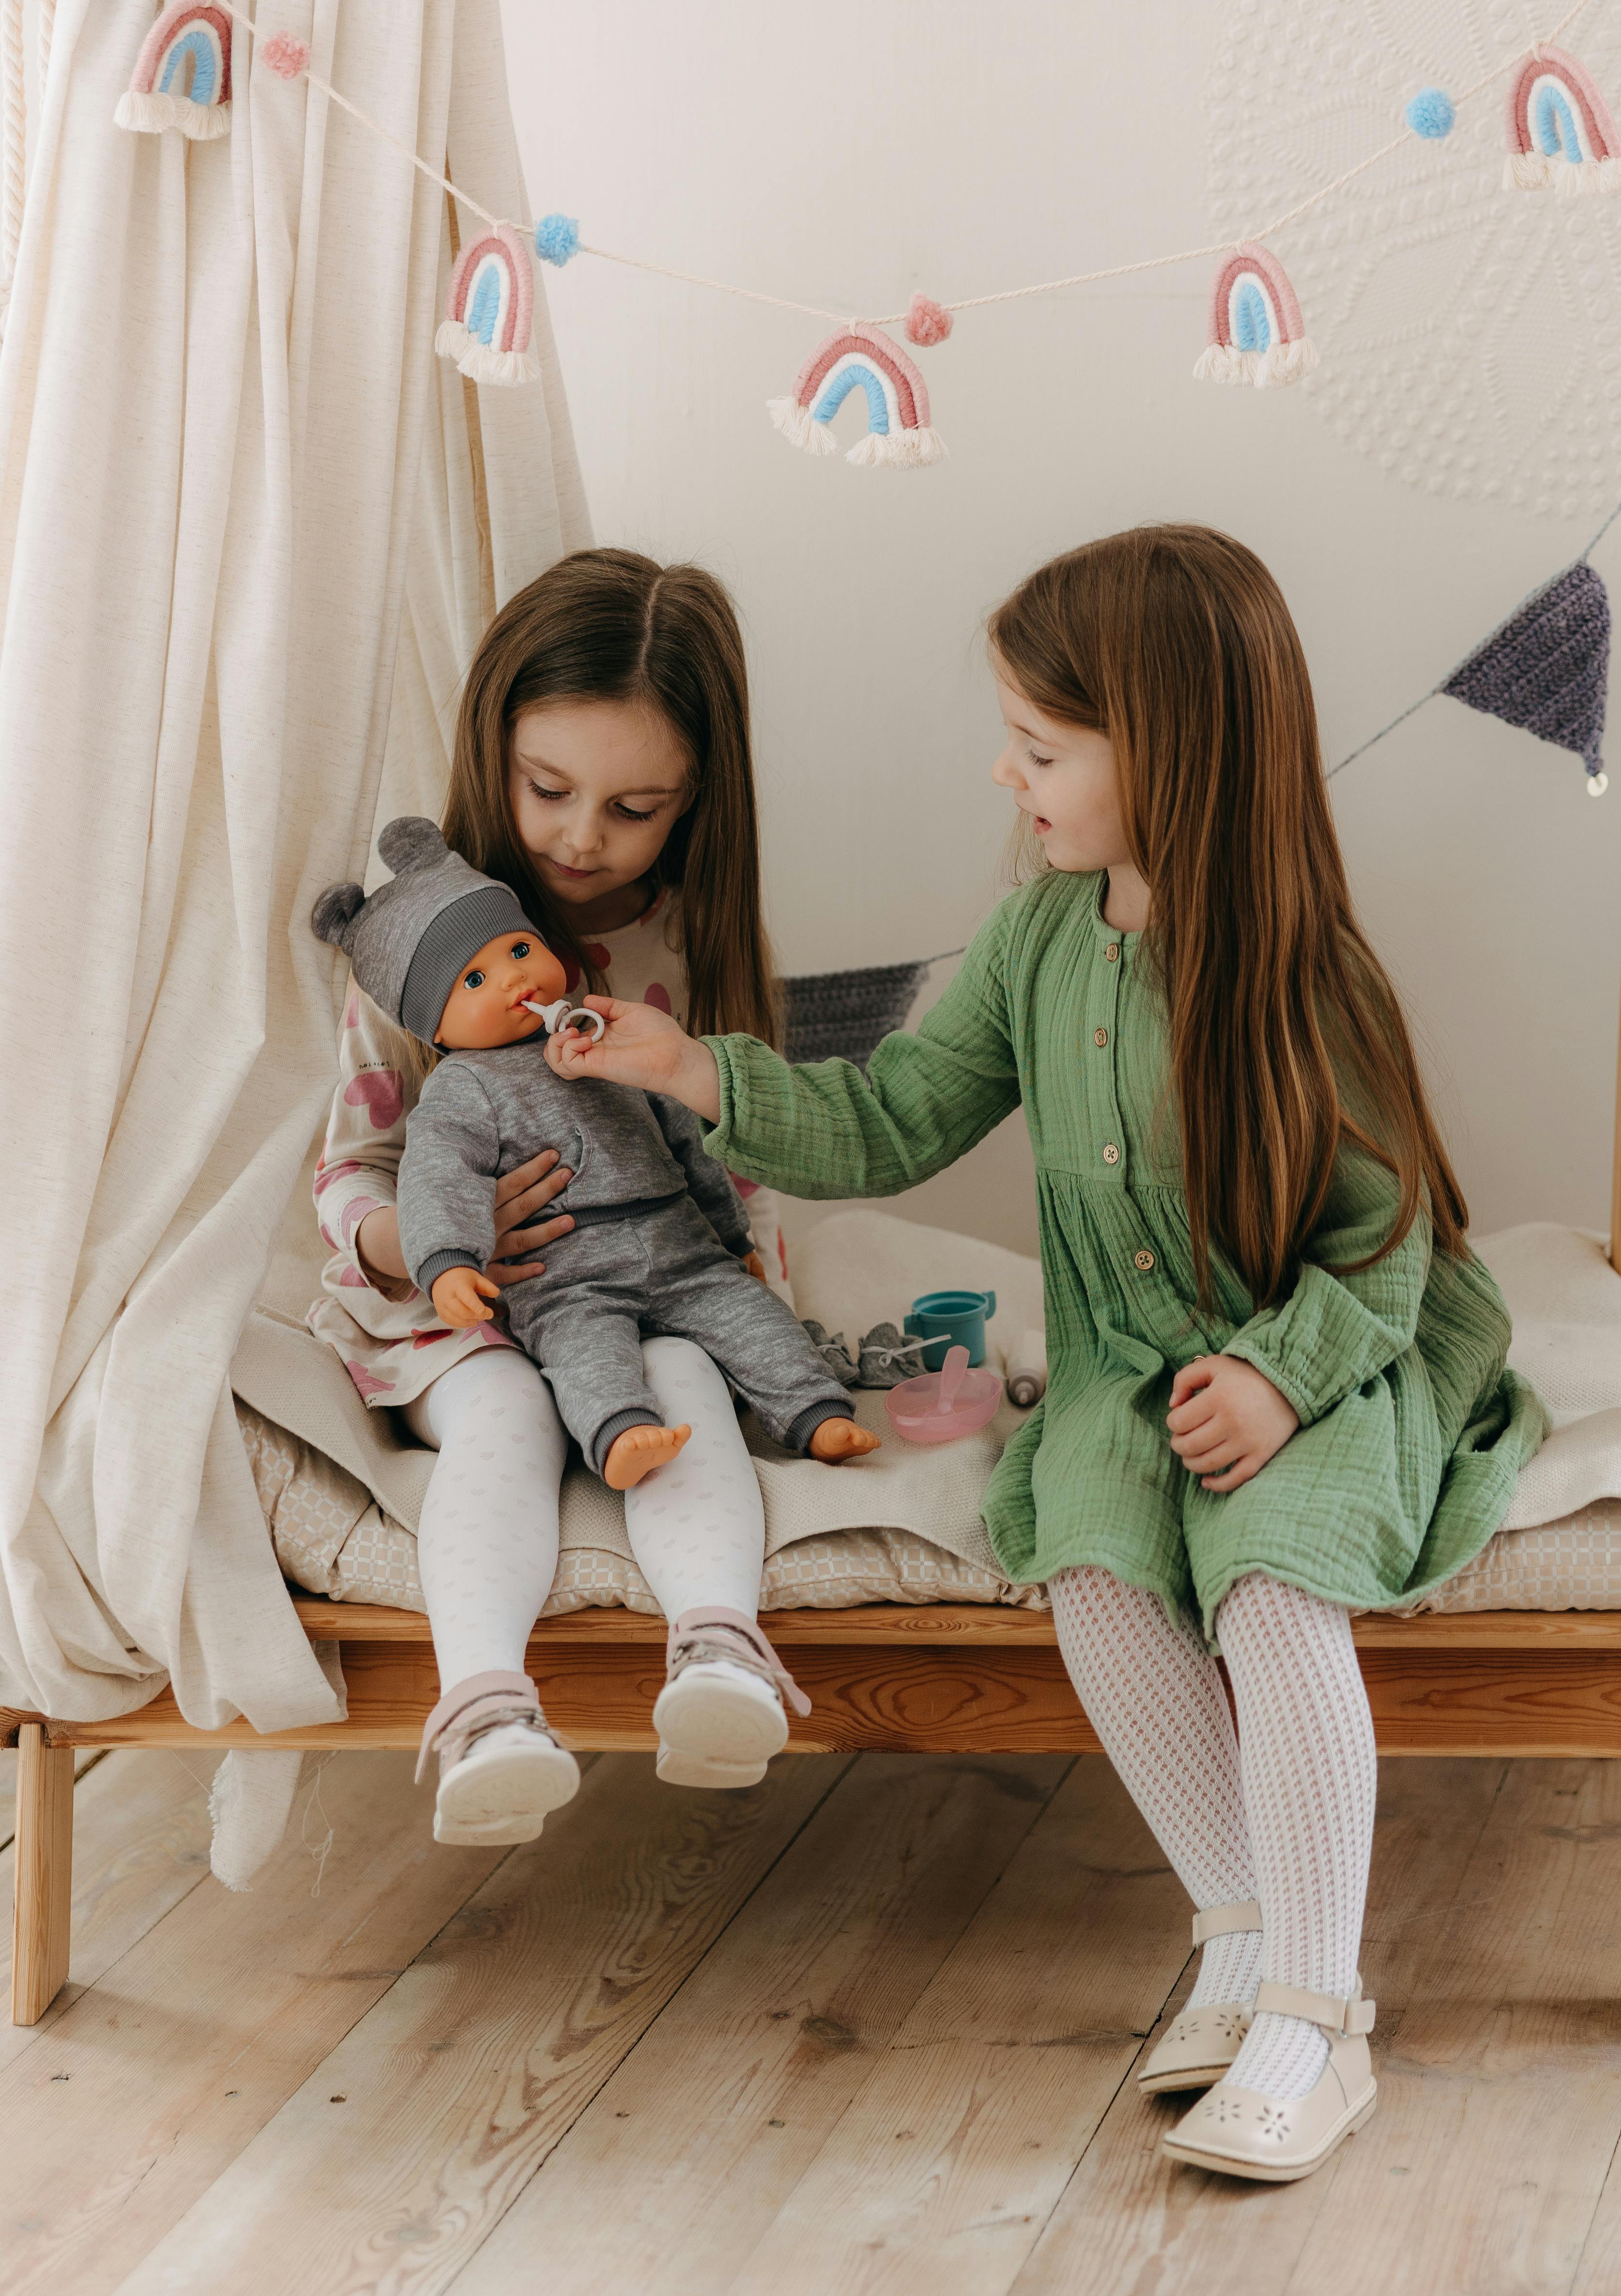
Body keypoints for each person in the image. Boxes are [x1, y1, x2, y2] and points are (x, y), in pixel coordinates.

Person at [551, 524, 1545, 2185]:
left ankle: (1317, 2015)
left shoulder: (1309, 979)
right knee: (1090, 1566)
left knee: (1275, 1587)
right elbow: (887, 1120)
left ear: (1168, 750)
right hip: (1121, 1365)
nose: (1004, 772)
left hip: (1316, 1355)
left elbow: (1386, 1244)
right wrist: (693, 1070)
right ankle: (1238, 1932)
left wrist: (1290, 1376)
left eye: (1040, 746)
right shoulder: (1033, 945)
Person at [308, 552, 809, 1845]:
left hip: (650, 1286)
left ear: (698, 803)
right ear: (499, 755)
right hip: (469, 1307)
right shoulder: (425, 938)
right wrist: (424, 1248)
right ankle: (483, 1708)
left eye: (636, 807)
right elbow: (351, 1168)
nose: (582, 838)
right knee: (505, 1411)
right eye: (548, 791)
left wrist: (746, 1283)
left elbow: (736, 1168)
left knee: (689, 1389)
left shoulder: (700, 949)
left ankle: (721, 1657)